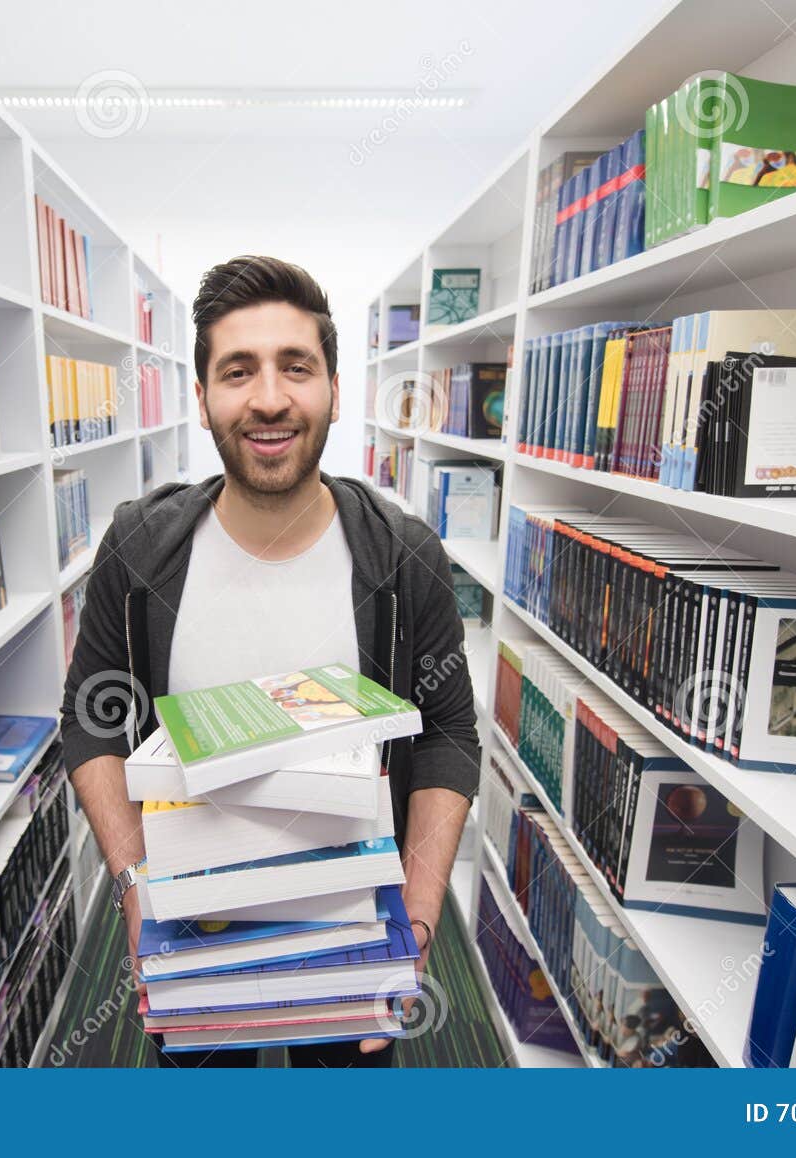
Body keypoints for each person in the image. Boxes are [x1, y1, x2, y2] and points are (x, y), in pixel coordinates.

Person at [59, 254, 480, 1068]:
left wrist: (416, 924)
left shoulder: (404, 559)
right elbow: (90, 724)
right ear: (203, 396)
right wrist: (134, 889)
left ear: (332, 388)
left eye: (297, 367)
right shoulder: (140, 551)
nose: (269, 398)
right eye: (237, 370)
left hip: (352, 930)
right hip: (190, 931)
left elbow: (448, 737)